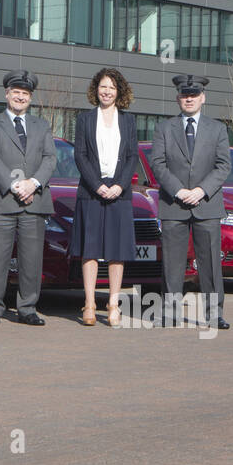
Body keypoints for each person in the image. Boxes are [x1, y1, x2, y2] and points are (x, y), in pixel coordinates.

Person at [148, 74, 231, 329]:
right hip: (174, 204)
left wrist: (201, 190)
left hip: (207, 205)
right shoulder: (164, 128)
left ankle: (214, 313)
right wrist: (179, 190)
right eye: (185, 95)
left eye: (194, 95)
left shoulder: (217, 128)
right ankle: (170, 312)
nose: (189, 99)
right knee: (172, 262)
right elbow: (158, 164)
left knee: (210, 263)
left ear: (202, 98)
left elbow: (223, 165)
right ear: (178, 98)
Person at [0, 70, 57, 326]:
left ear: (30, 97)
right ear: (7, 94)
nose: (20, 97)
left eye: (25, 93)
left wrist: (32, 184)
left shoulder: (42, 125)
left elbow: (50, 158)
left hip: (34, 201)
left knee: (31, 259)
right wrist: (15, 185)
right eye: (16, 92)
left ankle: (28, 308)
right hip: (2, 200)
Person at [70, 68, 138, 327]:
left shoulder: (129, 121)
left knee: (116, 251)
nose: (107, 91)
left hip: (120, 192)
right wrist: (97, 185)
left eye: (111, 87)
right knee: (90, 249)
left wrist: (120, 186)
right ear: (95, 90)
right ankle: (88, 303)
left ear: (119, 91)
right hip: (91, 191)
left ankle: (113, 304)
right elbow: (80, 155)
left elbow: (132, 156)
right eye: (102, 86)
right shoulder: (85, 119)